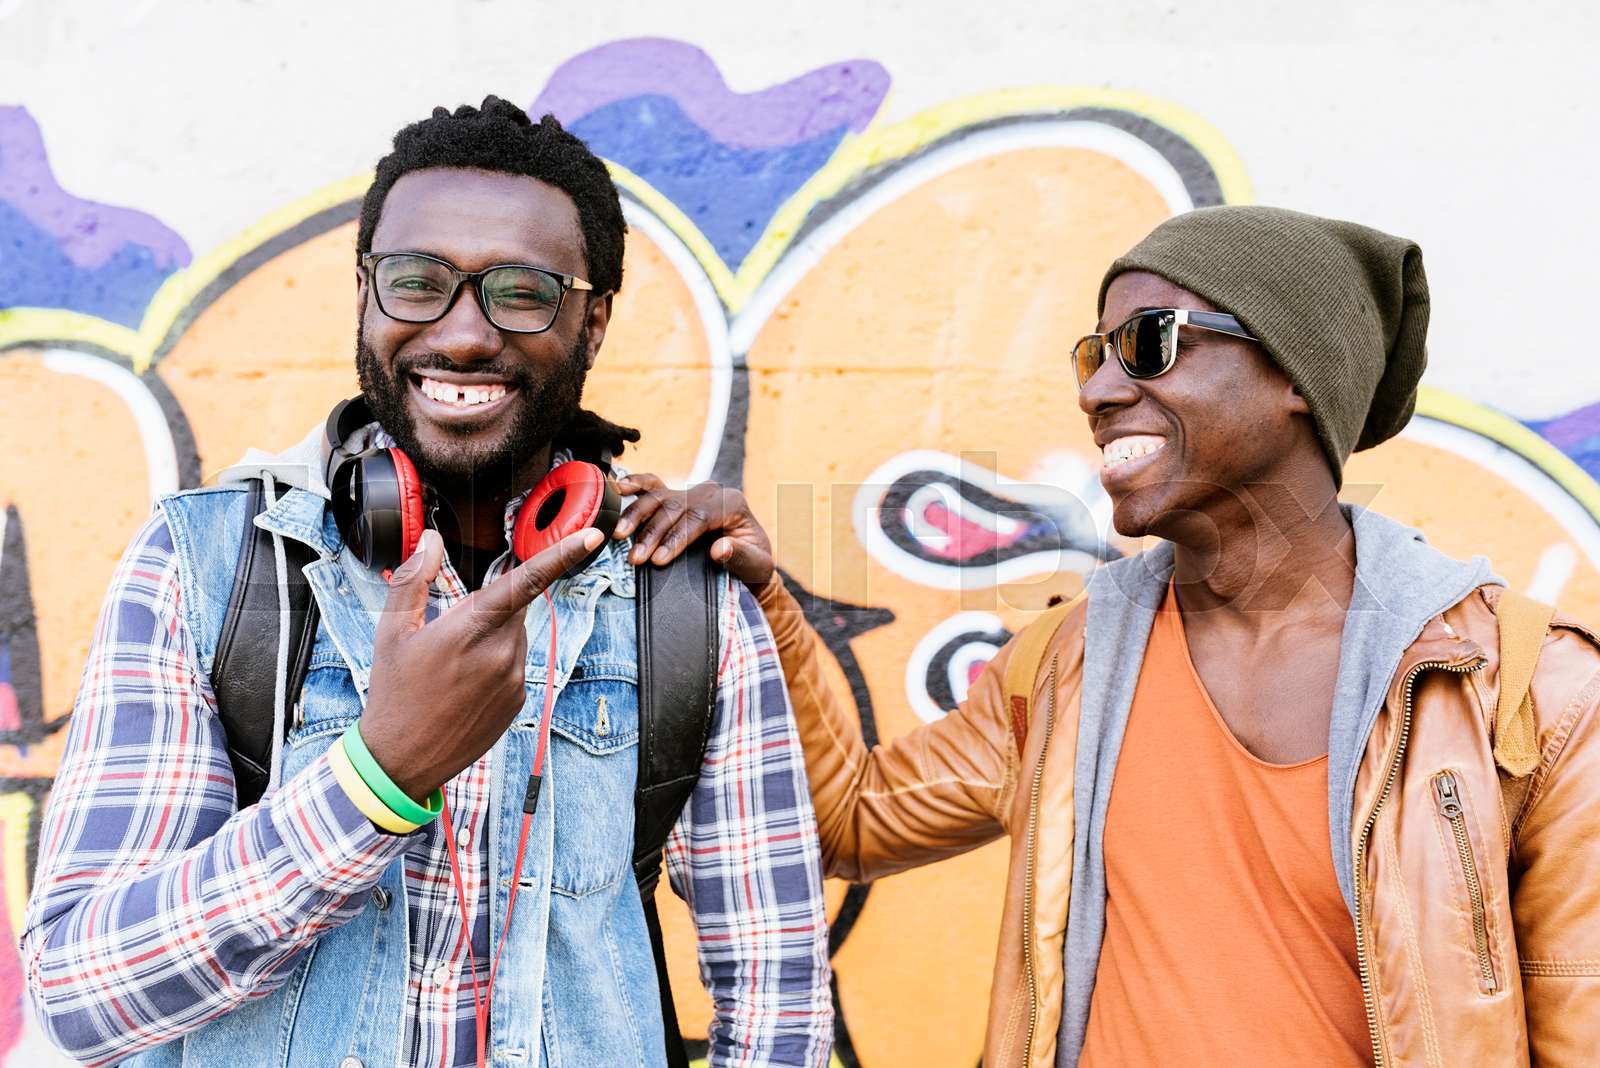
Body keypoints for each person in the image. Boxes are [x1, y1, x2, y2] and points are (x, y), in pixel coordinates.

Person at [616, 206, 1600, 1066]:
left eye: (1148, 343)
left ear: (1295, 372)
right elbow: (856, 821)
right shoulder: (1064, 667)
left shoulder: (1522, 692)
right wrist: (766, 595)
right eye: (1093, 357)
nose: (1095, 392)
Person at [22, 97, 832, 1068]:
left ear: (595, 319)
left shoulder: (683, 601)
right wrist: (376, 779)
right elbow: (82, 995)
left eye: (522, 293)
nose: (462, 335)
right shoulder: (206, 568)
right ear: (363, 296)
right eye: (417, 282)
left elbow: (777, 1005)